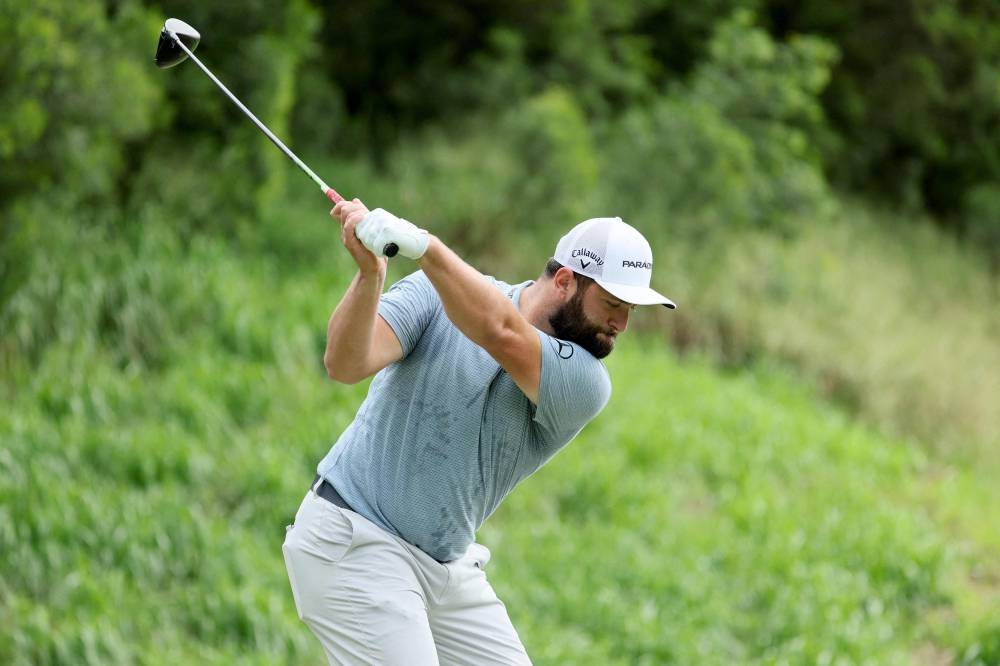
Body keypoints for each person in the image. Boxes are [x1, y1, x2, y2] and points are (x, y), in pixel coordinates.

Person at [282, 199, 675, 665]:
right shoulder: (435, 292)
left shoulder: (586, 382)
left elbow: (500, 331)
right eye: (612, 304)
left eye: (630, 308)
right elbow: (345, 364)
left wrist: (425, 246)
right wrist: (370, 278)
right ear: (566, 280)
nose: (622, 325)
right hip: (354, 538)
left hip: (443, 567)